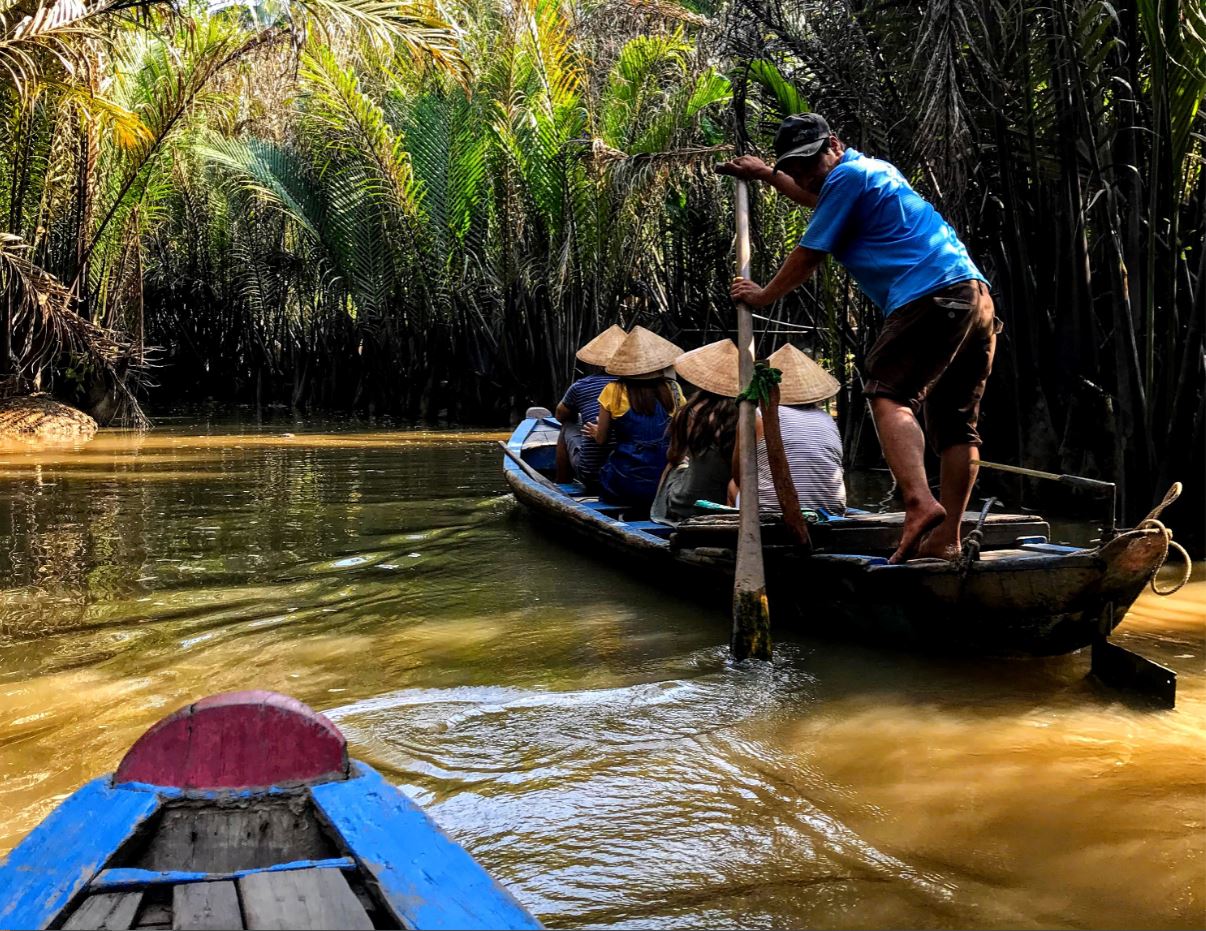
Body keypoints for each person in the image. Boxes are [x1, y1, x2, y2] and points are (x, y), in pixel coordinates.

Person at [718, 113, 998, 562]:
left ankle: (919, 503)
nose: (805, 175)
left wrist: (764, 294)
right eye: (795, 168)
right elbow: (814, 195)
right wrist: (767, 175)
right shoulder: (870, 172)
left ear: (835, 143)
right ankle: (947, 542)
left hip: (930, 293)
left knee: (887, 392)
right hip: (974, 297)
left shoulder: (848, 175)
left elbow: (810, 253)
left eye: (810, 161)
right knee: (955, 425)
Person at [729, 343, 846, 515]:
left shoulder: (756, 415)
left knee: (732, 485)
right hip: (832, 510)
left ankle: (739, 537)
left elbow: (740, 476)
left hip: (772, 512)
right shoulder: (827, 419)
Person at [583, 326, 684, 509]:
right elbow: (681, 432)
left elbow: (602, 439)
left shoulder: (613, 390)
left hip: (624, 480)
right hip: (663, 480)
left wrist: (597, 431)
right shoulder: (673, 389)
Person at [652, 339, 740, 523]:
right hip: (731, 499)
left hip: (691, 503)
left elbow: (674, 456)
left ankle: (657, 513)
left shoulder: (689, 412)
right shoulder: (750, 414)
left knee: (673, 466)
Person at [555, 325, 625, 488]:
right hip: (632, 473)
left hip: (597, 475)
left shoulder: (583, 386)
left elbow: (560, 415)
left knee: (567, 425)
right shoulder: (647, 390)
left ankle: (561, 483)